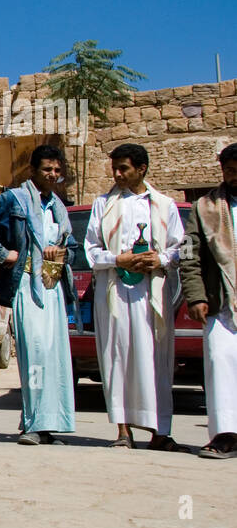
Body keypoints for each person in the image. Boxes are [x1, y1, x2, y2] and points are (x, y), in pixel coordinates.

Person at [0, 145, 78, 445]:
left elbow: (73, 246)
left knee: (54, 355)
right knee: (36, 352)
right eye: (46, 170)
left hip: (52, 286)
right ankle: (32, 423)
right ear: (33, 171)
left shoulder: (58, 206)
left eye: (56, 170)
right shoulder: (15, 199)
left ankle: (49, 425)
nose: (52, 175)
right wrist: (2, 254)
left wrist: (63, 253)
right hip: (27, 284)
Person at [83, 143, 186, 450]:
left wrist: (162, 260)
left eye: (123, 168)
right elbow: (91, 250)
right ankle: (123, 431)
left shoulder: (164, 205)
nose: (117, 174)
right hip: (114, 293)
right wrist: (118, 260)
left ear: (141, 169)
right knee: (117, 357)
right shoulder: (103, 204)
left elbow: (180, 247)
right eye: (114, 168)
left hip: (150, 294)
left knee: (155, 358)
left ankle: (160, 433)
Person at [180, 142, 237, 458]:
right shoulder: (206, 206)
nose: (233, 177)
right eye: (229, 171)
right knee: (221, 364)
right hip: (220, 302)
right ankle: (225, 436)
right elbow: (188, 254)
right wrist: (196, 295)